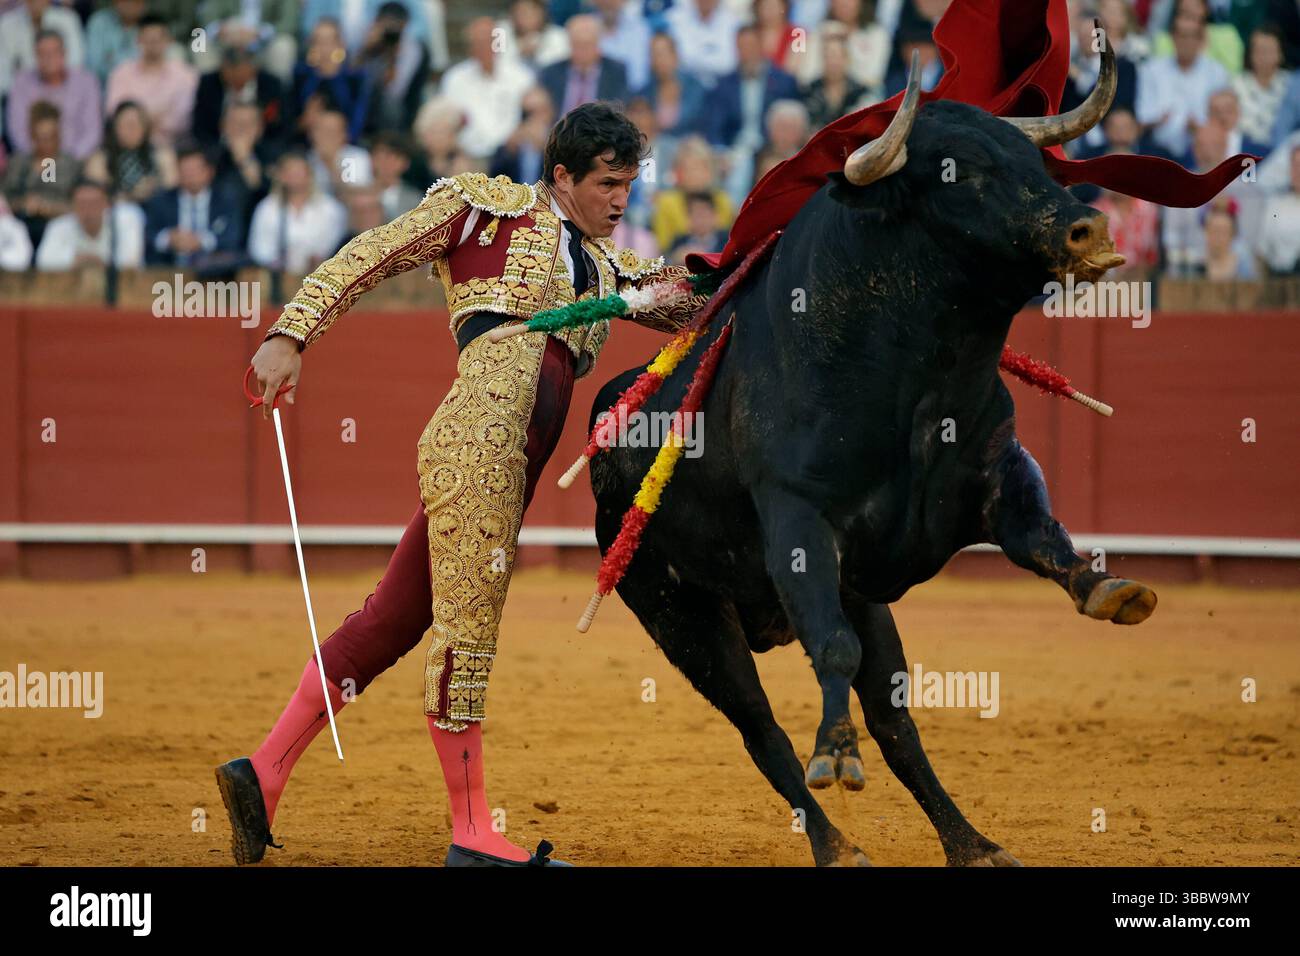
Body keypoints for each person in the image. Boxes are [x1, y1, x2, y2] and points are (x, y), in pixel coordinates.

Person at [216, 102, 710, 867]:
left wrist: (762, 262)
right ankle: (473, 833)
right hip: (481, 444)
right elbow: (374, 252)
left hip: (509, 459)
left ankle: (264, 771)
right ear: (561, 176)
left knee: (392, 619)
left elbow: (695, 301)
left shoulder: (613, 264)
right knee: (467, 633)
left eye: (630, 184)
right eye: (609, 183)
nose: (622, 199)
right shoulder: (486, 208)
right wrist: (291, 331)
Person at [247, 150, 347, 273]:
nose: (294, 176)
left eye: (299, 171)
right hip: (278, 276)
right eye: (289, 172)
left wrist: (319, 257)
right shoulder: (266, 208)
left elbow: (336, 242)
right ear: (280, 176)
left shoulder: (330, 208)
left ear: (310, 175)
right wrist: (275, 261)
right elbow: (258, 248)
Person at [34, 176, 145, 270]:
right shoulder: (58, 226)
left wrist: (98, 262)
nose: (88, 210)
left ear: (106, 203)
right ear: (72, 205)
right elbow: (44, 261)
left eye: (94, 203)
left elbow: (131, 261)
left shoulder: (126, 220)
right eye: (82, 204)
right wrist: (76, 260)